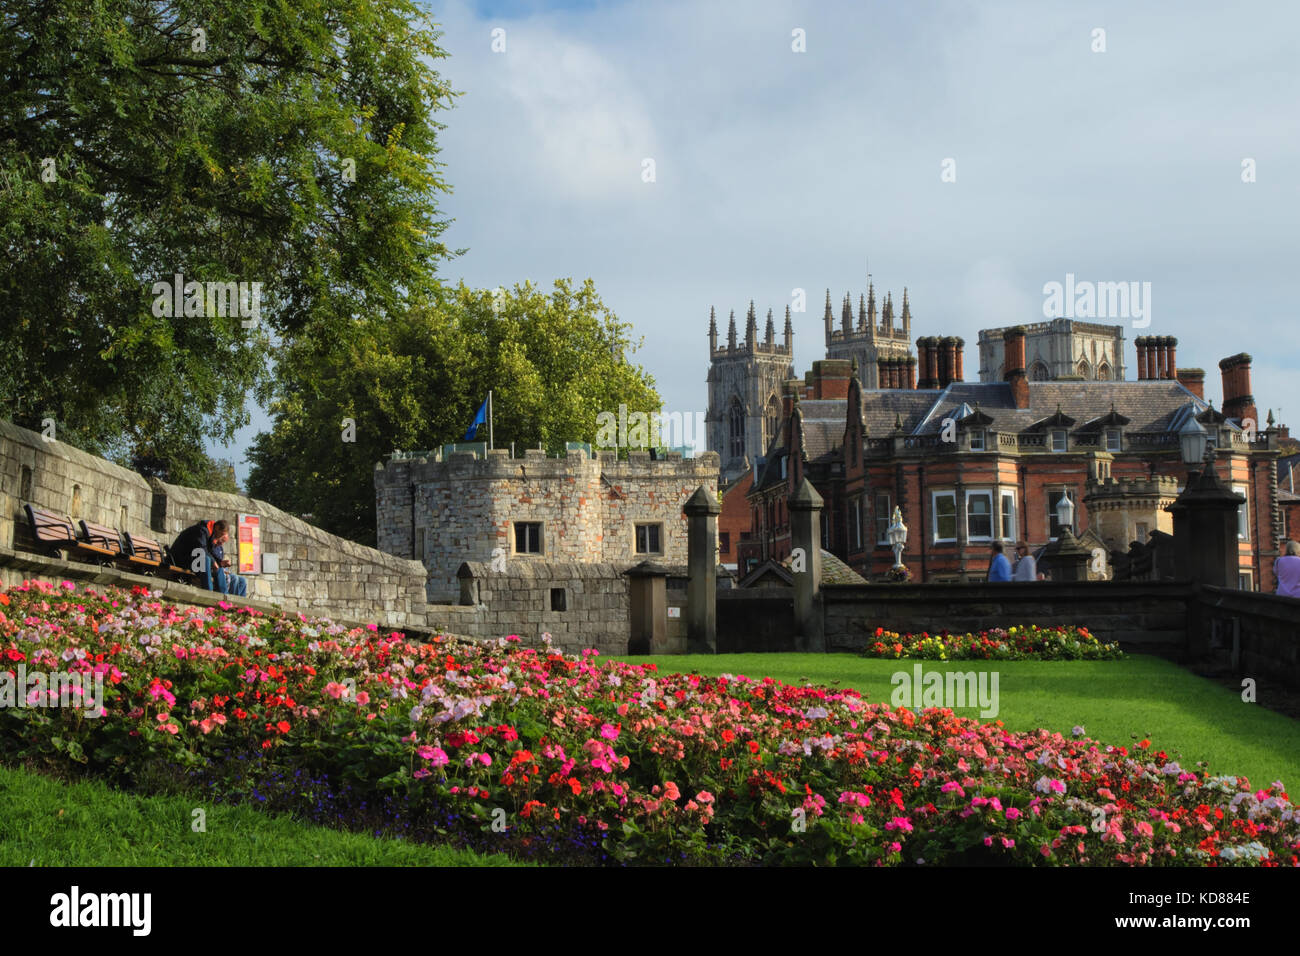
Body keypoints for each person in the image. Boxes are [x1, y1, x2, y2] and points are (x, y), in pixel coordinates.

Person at [170, 519, 246, 597]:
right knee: (206, 559)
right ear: (217, 527)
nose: (220, 537)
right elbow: (201, 549)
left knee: (217, 565)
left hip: (192, 561)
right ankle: (209, 593)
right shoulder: (200, 531)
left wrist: (220, 563)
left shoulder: (210, 534)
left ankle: (224, 594)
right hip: (180, 560)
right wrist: (213, 562)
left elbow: (210, 552)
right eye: (221, 534)